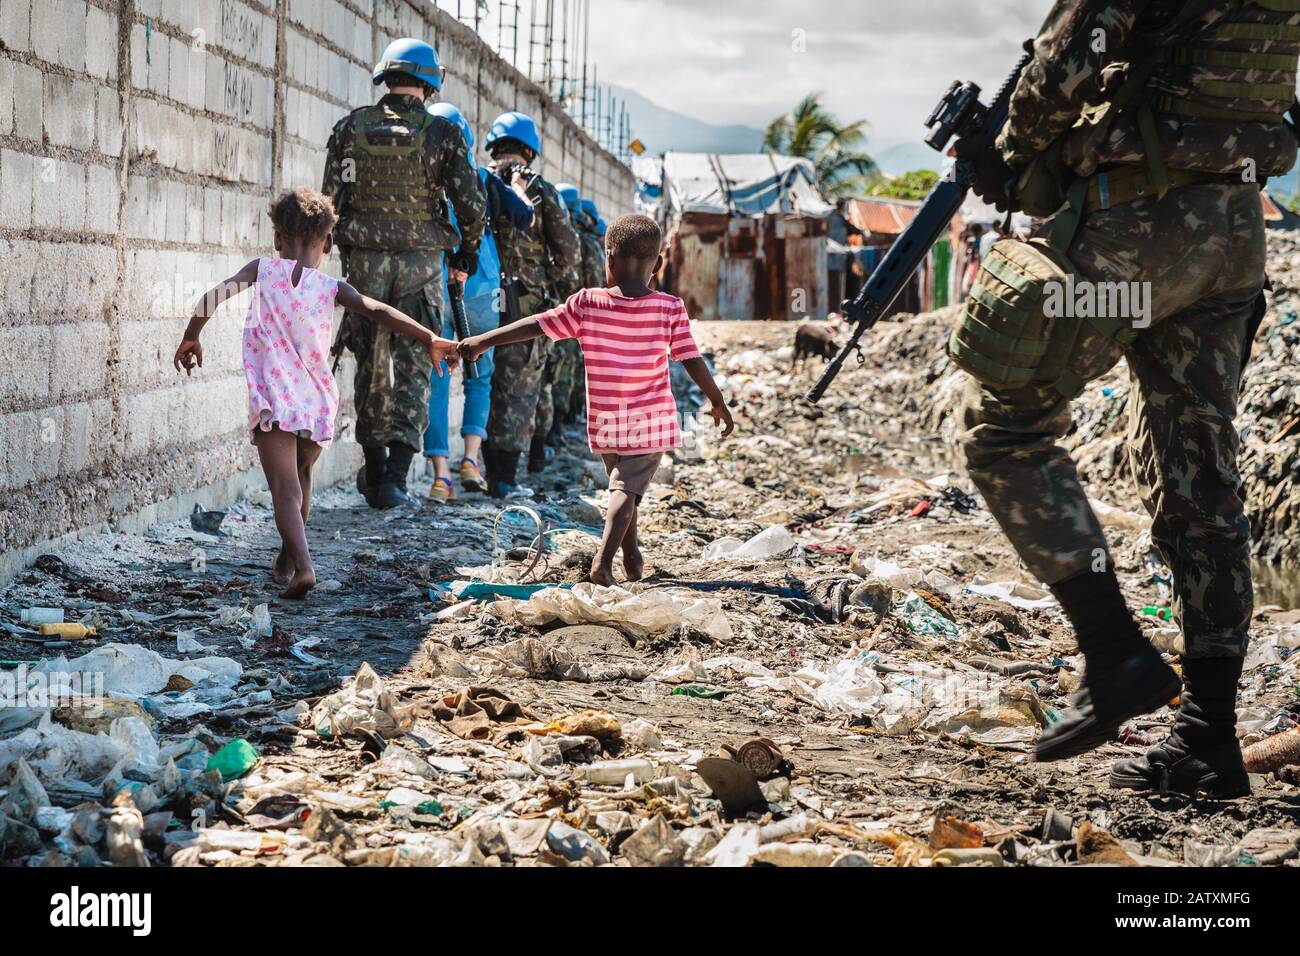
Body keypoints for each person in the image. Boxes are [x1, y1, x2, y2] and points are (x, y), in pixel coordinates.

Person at [957, 0, 1299, 796]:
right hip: (1233, 239)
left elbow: (1068, 60)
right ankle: (1208, 739)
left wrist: (1009, 150)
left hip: (1135, 241)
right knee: (1202, 476)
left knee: (1007, 434)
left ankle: (1115, 654)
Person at [173, 188, 459, 598]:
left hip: (274, 398)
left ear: (276, 239)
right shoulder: (331, 287)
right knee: (302, 479)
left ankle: (304, 567)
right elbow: (378, 310)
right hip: (317, 400)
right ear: (326, 243)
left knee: (284, 491)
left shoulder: (262, 270)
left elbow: (213, 296)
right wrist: (430, 335)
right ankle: (288, 558)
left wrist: (191, 337)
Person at [460, 214, 734, 585]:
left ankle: (632, 556)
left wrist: (482, 340)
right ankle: (602, 564)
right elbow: (691, 358)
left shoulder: (587, 303)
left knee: (624, 487)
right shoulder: (669, 308)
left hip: (607, 419)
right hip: (650, 419)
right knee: (625, 490)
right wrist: (716, 400)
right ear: (657, 264)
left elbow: (536, 325)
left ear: (609, 257)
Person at [322, 37, 486, 509]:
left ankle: (375, 475)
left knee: (371, 367)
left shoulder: (350, 129)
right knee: (416, 366)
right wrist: (466, 254)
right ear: (430, 83)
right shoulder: (443, 135)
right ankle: (395, 478)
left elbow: (329, 201)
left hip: (364, 268)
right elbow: (471, 206)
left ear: (385, 77)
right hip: (420, 269)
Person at [421, 102, 535, 502]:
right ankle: (470, 459)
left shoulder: (423, 176)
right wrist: (518, 189)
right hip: (481, 284)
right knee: (479, 375)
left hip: (436, 280)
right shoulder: (484, 178)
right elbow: (525, 217)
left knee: (436, 377)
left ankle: (440, 477)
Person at [481, 111, 583, 498]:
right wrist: (546, 278)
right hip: (525, 305)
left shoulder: (480, 179)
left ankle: (478, 465)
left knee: (483, 383)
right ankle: (504, 479)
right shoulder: (540, 190)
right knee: (519, 388)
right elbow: (570, 252)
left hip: (479, 299)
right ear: (530, 150)